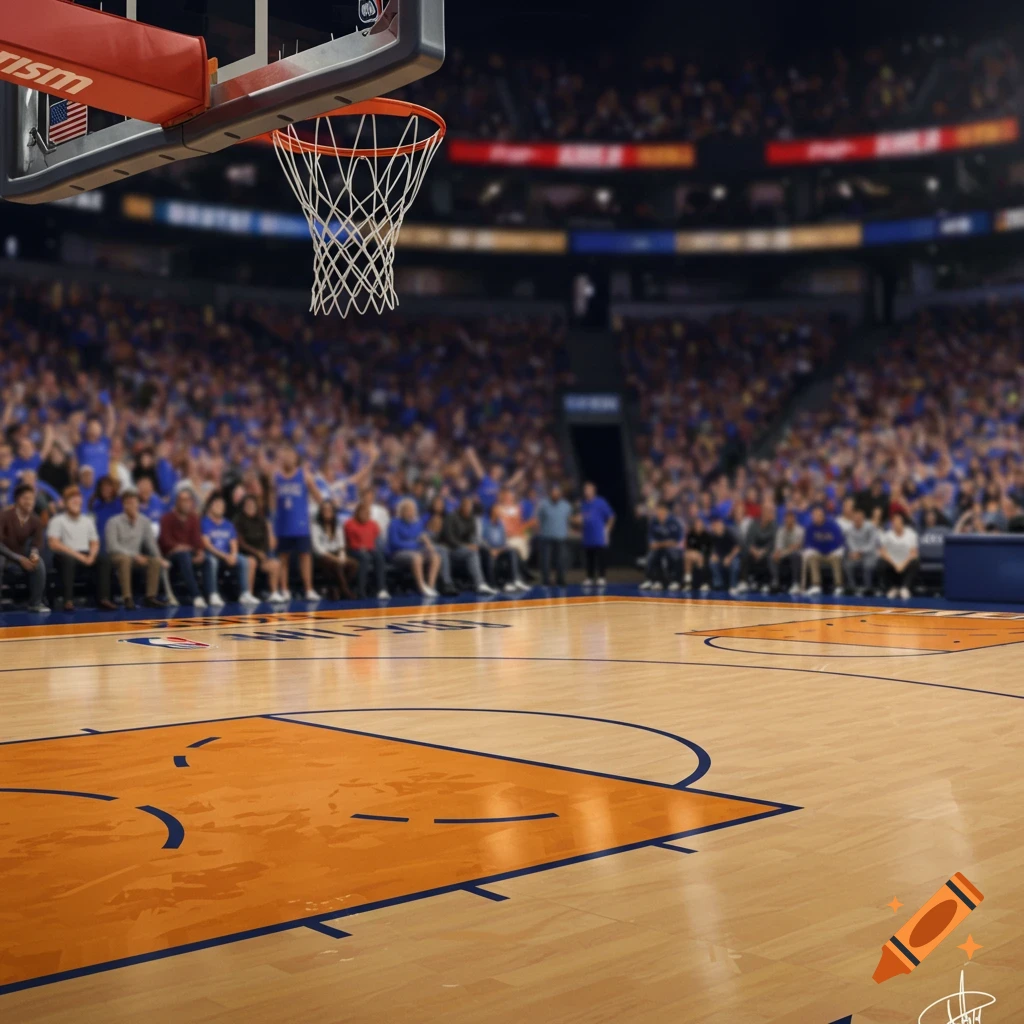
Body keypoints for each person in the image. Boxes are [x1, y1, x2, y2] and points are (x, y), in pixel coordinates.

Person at [268, 447, 321, 603]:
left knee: (305, 556)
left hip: (301, 523)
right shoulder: (276, 477)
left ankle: (309, 589)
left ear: (296, 459)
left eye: (291, 456)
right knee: (283, 557)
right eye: (286, 456)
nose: (288, 459)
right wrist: (272, 521)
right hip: (282, 523)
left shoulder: (304, 475)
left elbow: (317, 496)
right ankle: (284, 590)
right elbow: (271, 501)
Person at [102, 488, 168, 610]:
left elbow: (151, 544)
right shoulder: (113, 521)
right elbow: (112, 546)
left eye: (135, 502)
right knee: (125, 559)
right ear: (124, 505)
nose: (133, 505)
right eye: (129, 503)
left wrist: (160, 558)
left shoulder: (144, 521)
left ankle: (150, 597)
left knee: (155, 561)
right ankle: (127, 598)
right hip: (116, 555)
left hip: (136, 557)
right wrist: (134, 555)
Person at [46, 486, 106, 612]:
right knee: (68, 560)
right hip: (64, 555)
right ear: (66, 503)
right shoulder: (57, 520)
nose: (75, 501)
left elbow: (95, 542)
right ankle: (68, 600)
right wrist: (79, 556)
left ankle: (103, 599)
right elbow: (54, 543)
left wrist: (91, 557)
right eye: (71, 499)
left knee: (103, 559)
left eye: (77, 498)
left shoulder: (88, 520)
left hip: (85, 553)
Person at [0, 482, 49, 613]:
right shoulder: (4, 516)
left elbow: (37, 543)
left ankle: (35, 603)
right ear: (17, 500)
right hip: (4, 554)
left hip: (21, 556)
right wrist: (19, 558)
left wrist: (34, 553)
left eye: (32, 499)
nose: (29, 502)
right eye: (25, 498)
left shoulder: (36, 520)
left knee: (38, 563)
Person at [202, 493, 257, 606]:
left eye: (222, 505)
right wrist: (225, 556)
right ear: (210, 506)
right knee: (212, 561)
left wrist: (233, 554)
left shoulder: (228, 524)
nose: (220, 507)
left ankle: (245, 593)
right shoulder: (204, 522)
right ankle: (213, 594)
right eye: (217, 505)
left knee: (243, 560)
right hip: (212, 554)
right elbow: (207, 544)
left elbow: (234, 543)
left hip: (227, 555)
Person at [159, 489, 207, 609]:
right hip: (171, 554)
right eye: (183, 500)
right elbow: (164, 541)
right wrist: (178, 547)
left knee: (209, 560)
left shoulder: (194, 518)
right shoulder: (166, 518)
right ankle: (196, 595)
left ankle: (212, 593)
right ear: (177, 502)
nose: (186, 503)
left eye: (188, 500)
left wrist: (200, 552)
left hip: (189, 552)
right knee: (184, 555)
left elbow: (197, 539)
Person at [234, 494, 285, 602]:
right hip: (244, 554)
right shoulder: (238, 521)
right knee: (251, 561)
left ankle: (274, 593)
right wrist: (257, 553)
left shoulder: (262, 521)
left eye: (252, 505)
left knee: (275, 564)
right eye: (247, 505)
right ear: (243, 507)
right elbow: (241, 543)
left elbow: (266, 541)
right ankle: (248, 594)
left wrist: (264, 554)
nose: (250, 507)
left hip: (261, 555)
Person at [442, 496, 496, 595]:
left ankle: (491, 583)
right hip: (452, 549)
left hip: (465, 549)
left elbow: (473, 537)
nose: (468, 508)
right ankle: (479, 584)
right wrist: (466, 546)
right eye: (466, 506)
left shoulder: (471, 519)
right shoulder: (451, 517)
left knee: (484, 551)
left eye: (470, 506)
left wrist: (479, 545)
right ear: (461, 506)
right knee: (472, 552)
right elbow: (449, 539)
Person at [387, 498, 441, 597]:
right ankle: (421, 587)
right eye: (408, 510)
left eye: (412, 510)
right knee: (417, 557)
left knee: (435, 556)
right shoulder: (394, 523)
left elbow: (421, 537)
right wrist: (415, 544)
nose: (411, 512)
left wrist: (427, 542)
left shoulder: (417, 524)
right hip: (397, 554)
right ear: (402, 511)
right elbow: (394, 543)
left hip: (416, 552)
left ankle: (430, 586)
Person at [344, 498, 389, 599]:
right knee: (365, 558)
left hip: (369, 549)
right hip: (353, 550)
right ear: (357, 512)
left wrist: (368, 547)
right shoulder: (349, 524)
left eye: (367, 512)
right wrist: (361, 548)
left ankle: (381, 589)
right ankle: (361, 590)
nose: (365, 514)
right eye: (362, 511)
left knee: (379, 557)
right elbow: (350, 542)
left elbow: (375, 539)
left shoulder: (373, 524)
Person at [480, 503, 530, 592]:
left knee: (513, 552)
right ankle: (493, 585)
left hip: (500, 550)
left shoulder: (501, 524)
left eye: (499, 511)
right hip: (489, 550)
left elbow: (504, 541)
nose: (499, 512)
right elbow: (481, 540)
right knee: (489, 556)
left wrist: (501, 549)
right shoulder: (484, 523)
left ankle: (515, 580)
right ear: (492, 512)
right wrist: (490, 549)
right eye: (497, 510)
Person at [311, 499, 354, 600]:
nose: (327, 512)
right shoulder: (315, 526)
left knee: (353, 564)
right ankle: (345, 591)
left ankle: (337, 589)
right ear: (321, 512)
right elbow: (317, 548)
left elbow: (341, 544)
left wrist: (342, 555)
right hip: (322, 556)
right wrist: (335, 558)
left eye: (329, 509)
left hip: (336, 553)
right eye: (325, 509)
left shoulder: (337, 525)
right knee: (336, 565)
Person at [801, 505, 845, 596]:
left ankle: (839, 586)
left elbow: (840, 542)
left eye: (818, 515)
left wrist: (836, 551)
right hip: (819, 554)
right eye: (814, 515)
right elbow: (807, 544)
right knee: (812, 557)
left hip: (831, 553)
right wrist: (811, 551)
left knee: (836, 558)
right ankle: (816, 585)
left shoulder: (833, 526)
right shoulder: (810, 528)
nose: (815, 517)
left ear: (823, 516)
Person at [639, 502, 683, 591]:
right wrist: (664, 543)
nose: (660, 514)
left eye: (662, 512)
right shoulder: (653, 522)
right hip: (659, 548)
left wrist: (661, 544)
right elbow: (651, 542)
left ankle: (675, 581)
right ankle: (653, 580)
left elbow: (675, 542)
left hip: (672, 548)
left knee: (672, 554)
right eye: (658, 511)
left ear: (666, 511)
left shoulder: (674, 522)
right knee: (652, 555)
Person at [578, 482, 614, 587]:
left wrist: (607, 530)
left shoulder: (601, 502)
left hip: (599, 536)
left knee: (600, 557)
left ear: (593, 490)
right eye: (585, 489)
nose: (586, 491)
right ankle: (589, 577)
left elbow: (611, 516)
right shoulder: (583, 504)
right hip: (587, 535)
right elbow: (581, 518)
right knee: (589, 558)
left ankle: (602, 577)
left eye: (589, 489)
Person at [536, 485, 572, 586]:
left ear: (560, 494)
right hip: (546, 536)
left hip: (560, 536)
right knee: (546, 560)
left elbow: (568, 519)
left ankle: (560, 579)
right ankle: (546, 580)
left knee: (561, 560)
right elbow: (539, 519)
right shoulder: (543, 504)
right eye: (553, 492)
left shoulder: (566, 505)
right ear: (550, 493)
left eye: (557, 492)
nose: (555, 494)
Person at [878, 512, 919, 599]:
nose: (896, 524)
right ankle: (892, 588)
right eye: (894, 522)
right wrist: (895, 564)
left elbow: (914, 553)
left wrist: (903, 564)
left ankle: (905, 588)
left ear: (902, 523)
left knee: (915, 561)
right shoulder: (887, 535)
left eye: (898, 521)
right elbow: (883, 552)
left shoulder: (911, 534)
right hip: (893, 563)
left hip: (906, 562)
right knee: (881, 562)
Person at [740, 504, 777, 594]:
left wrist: (762, 552)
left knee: (768, 558)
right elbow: (748, 540)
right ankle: (744, 582)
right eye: (766, 512)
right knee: (745, 554)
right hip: (753, 550)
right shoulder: (754, 523)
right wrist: (754, 550)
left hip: (765, 551)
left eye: (770, 512)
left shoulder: (773, 526)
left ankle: (766, 583)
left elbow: (772, 543)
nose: (768, 514)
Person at [842, 507, 879, 595]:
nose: (857, 519)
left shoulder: (871, 527)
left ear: (863, 518)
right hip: (855, 554)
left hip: (868, 554)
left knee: (868, 565)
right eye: (855, 518)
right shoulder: (849, 529)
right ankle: (852, 587)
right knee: (847, 564)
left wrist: (860, 552)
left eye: (859, 518)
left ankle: (868, 588)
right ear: (853, 518)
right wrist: (855, 553)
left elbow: (872, 544)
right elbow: (850, 543)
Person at [771, 510, 805, 594]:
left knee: (795, 555)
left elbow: (797, 547)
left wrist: (785, 551)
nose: (789, 520)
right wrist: (777, 553)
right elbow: (778, 547)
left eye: (791, 518)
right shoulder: (781, 530)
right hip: (785, 553)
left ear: (794, 519)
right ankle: (775, 581)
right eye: (787, 519)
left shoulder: (800, 530)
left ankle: (795, 583)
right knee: (771, 556)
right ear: (784, 520)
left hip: (797, 555)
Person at [707, 517, 741, 593]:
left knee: (735, 564)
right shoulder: (713, 536)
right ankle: (718, 585)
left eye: (719, 525)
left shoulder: (729, 533)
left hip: (731, 556)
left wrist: (729, 558)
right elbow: (712, 548)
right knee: (712, 562)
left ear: (722, 526)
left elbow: (737, 548)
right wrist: (713, 554)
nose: (717, 527)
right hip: (720, 557)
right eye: (715, 526)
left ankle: (733, 586)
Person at [684, 517, 713, 591]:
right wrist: (694, 553)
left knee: (699, 558)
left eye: (700, 525)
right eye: (696, 525)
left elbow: (709, 549)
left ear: (702, 526)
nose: (698, 526)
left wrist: (699, 554)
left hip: (704, 556)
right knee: (687, 557)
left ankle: (703, 583)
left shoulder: (707, 535)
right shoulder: (690, 534)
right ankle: (688, 583)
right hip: (692, 555)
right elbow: (688, 548)